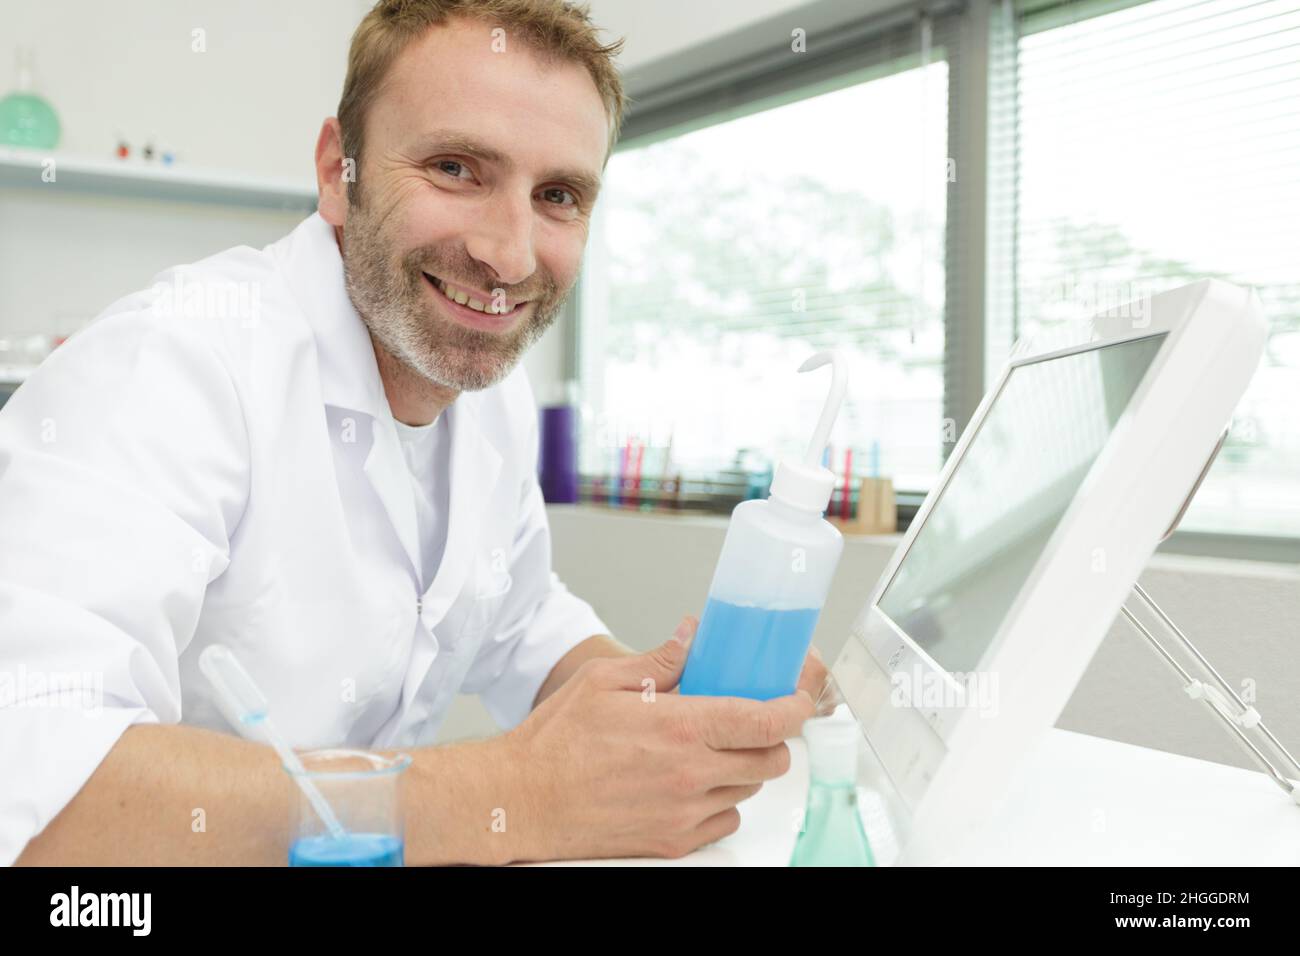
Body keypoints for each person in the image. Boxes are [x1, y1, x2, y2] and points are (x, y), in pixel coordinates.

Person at [1, 0, 825, 866]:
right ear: (336, 172)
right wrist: (521, 792)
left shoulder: (489, 397)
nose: (509, 257)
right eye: (456, 168)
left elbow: (522, 625)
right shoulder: (171, 368)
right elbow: (35, 779)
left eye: (557, 196)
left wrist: (673, 718)